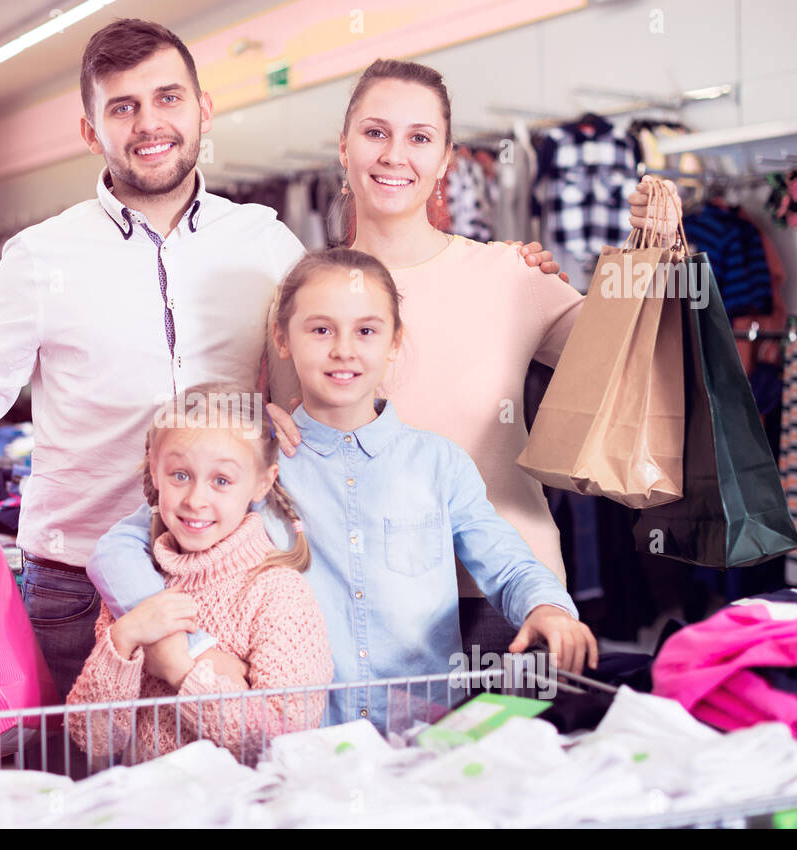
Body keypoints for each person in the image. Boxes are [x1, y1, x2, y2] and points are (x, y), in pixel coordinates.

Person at [0, 22, 564, 698]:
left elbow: (343, 330)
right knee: (80, 788)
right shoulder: (38, 256)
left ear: (202, 110)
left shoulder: (266, 242)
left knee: (215, 789)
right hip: (76, 586)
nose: (150, 123)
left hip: (221, 579)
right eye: (123, 108)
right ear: (91, 129)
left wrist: (506, 268)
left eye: (168, 98)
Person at [264, 59, 683, 656]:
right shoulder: (302, 298)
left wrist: (651, 255)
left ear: (445, 159)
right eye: (375, 132)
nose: (394, 155)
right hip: (358, 599)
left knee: (515, 751)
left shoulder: (510, 274)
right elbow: (285, 445)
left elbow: (623, 357)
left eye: (419, 138)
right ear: (344, 146)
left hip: (513, 597)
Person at [89, 248, 596, 731]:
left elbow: (505, 561)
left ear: (394, 342)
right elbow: (120, 545)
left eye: (367, 330)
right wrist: (180, 642)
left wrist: (546, 605)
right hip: (300, 739)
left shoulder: (439, 464)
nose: (343, 350)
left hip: (420, 735)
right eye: (320, 329)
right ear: (282, 339)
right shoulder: (255, 461)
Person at [67, 383, 331, 764]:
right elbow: (94, 742)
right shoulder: (141, 588)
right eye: (179, 475)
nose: (195, 500)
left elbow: (285, 741)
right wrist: (123, 640)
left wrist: (180, 670)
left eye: (221, 481)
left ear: (262, 482)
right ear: (155, 473)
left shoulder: (277, 593)